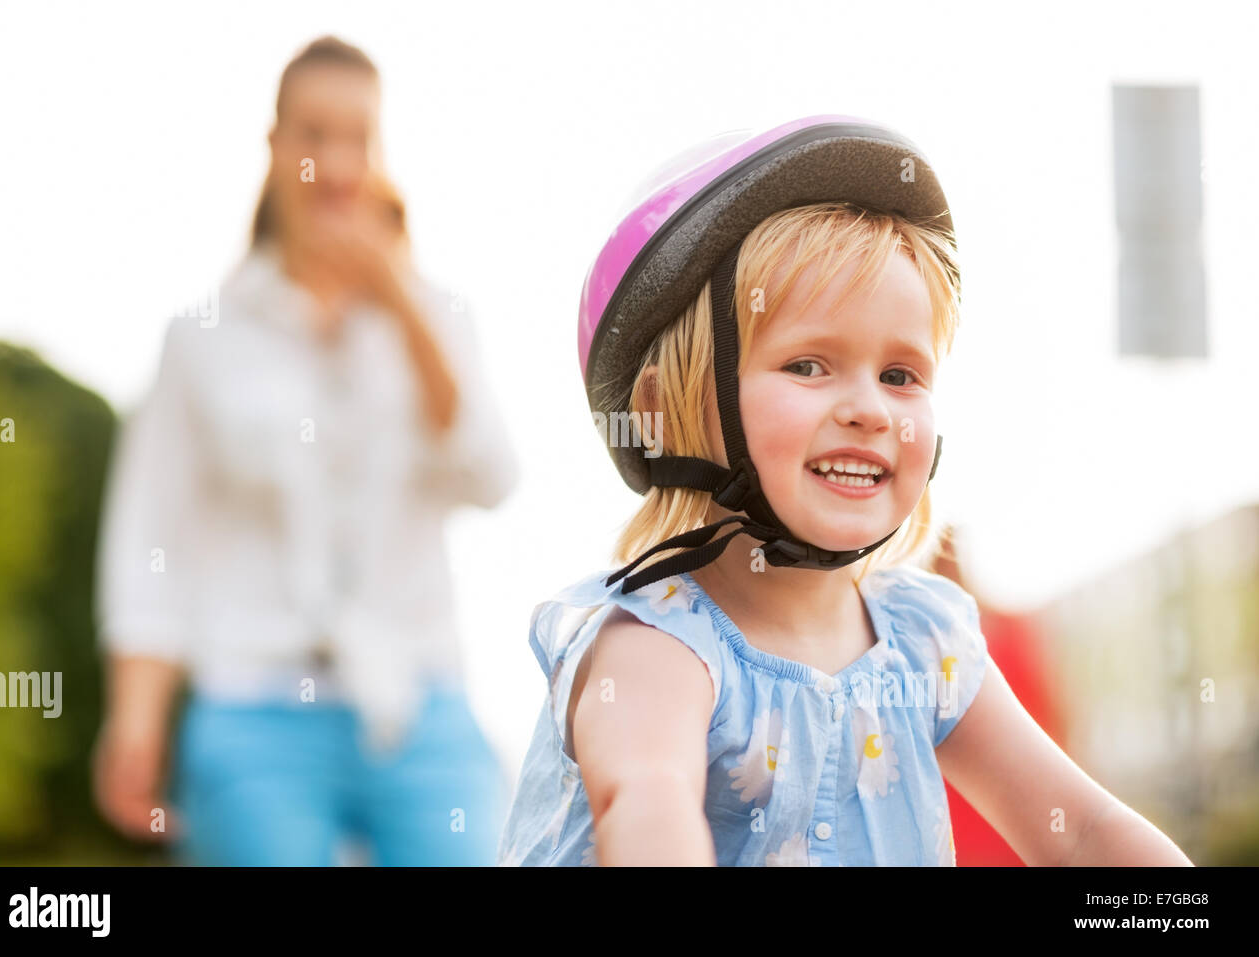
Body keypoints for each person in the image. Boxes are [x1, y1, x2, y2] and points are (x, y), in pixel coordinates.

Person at [497, 116, 1192, 866]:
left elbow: (1082, 831)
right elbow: (645, 807)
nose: (870, 408)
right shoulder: (658, 646)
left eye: (900, 375)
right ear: (670, 410)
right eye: (808, 365)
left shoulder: (923, 648)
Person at [91, 35, 518, 866]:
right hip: (252, 702)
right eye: (313, 134)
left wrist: (398, 301)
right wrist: (136, 720)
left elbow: (490, 475)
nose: (335, 159)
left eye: (358, 136)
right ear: (277, 146)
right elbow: (153, 540)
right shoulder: (202, 337)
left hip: (420, 699)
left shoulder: (436, 318)